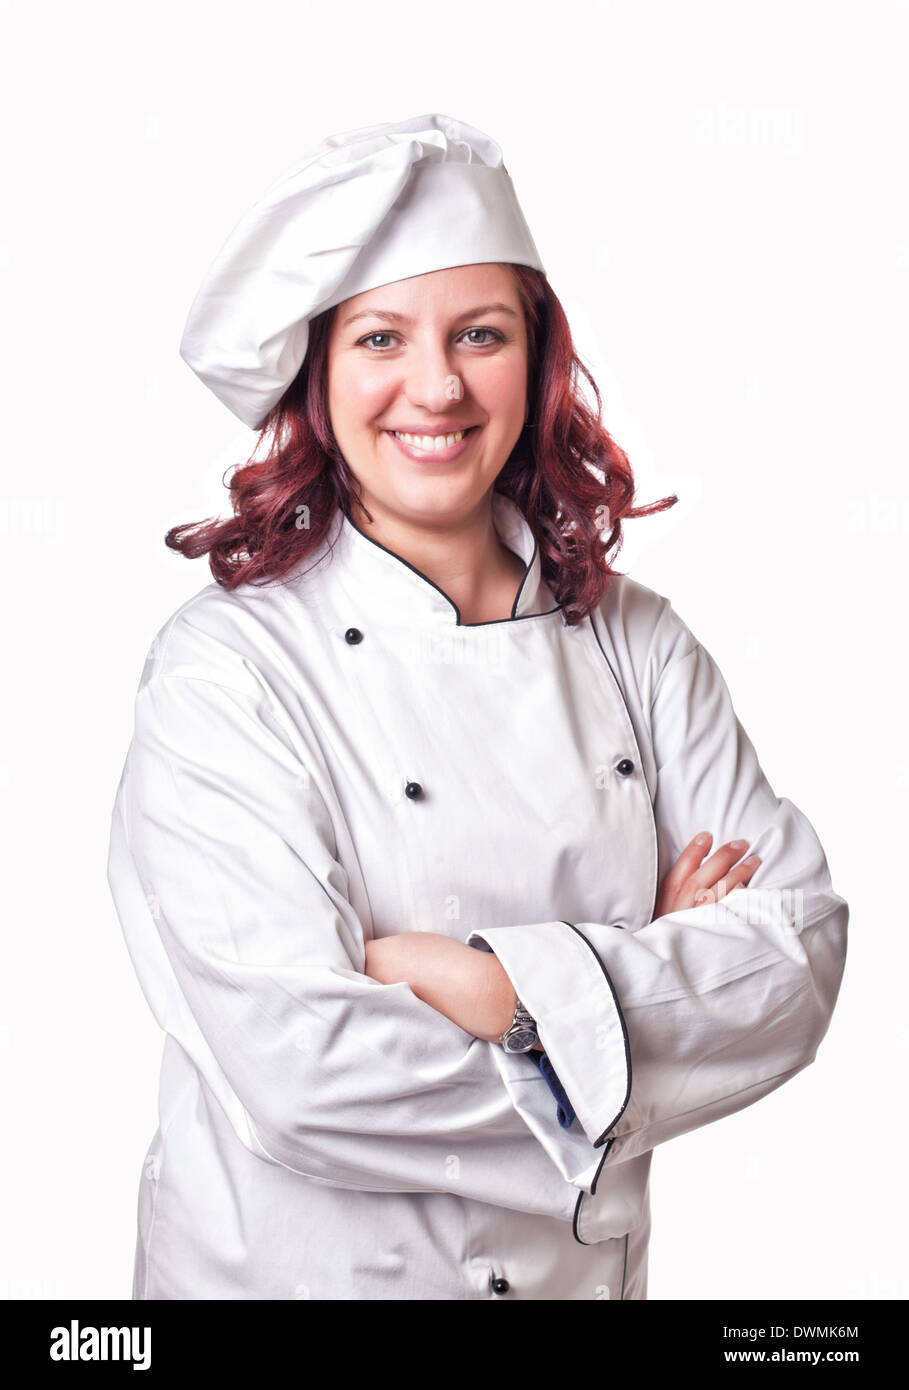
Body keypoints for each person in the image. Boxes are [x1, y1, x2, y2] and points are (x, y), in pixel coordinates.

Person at [106, 112, 848, 1301]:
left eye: (481, 334)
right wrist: (642, 977)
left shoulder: (637, 644)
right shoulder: (227, 672)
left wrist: (508, 990)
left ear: (536, 358)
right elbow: (302, 1075)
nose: (437, 386)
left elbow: (798, 958)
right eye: (383, 338)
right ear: (320, 371)